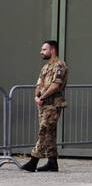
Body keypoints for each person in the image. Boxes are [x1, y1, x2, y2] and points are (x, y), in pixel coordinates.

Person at [20, 39, 67, 172]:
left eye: (44, 49)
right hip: (43, 104)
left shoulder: (60, 65)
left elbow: (55, 85)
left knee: (44, 131)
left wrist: (42, 97)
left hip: (53, 105)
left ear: (52, 50)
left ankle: (33, 161)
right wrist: (37, 96)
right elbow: (39, 84)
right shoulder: (45, 67)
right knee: (50, 133)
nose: (41, 52)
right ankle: (52, 163)